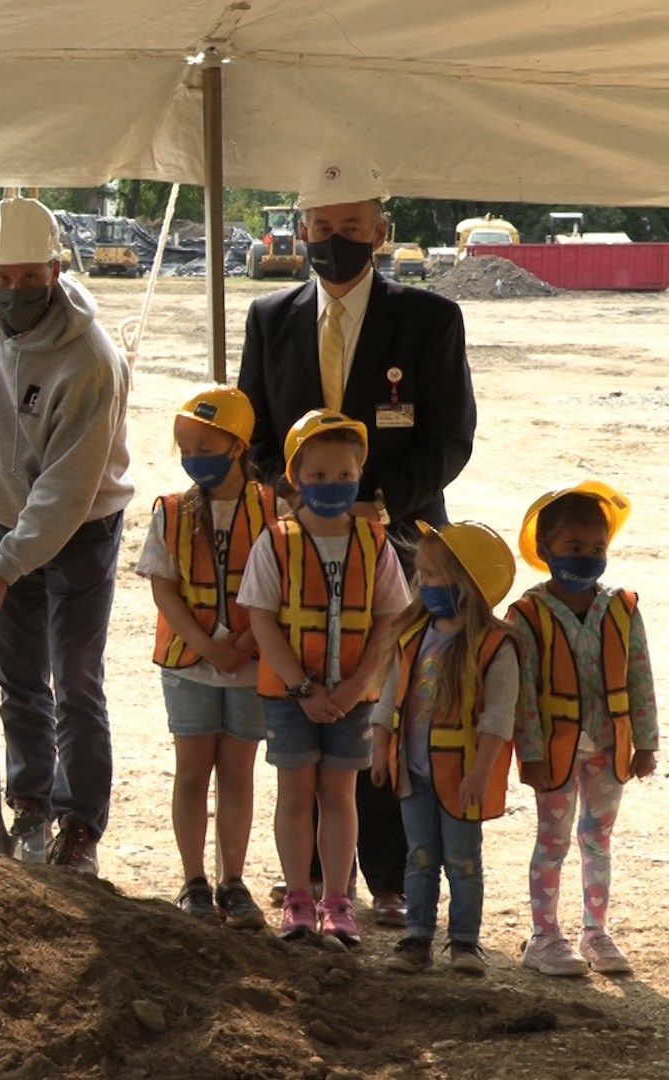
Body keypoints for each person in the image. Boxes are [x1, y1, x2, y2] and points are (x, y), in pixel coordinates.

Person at [238, 158, 476, 926]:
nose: (335, 241)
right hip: (300, 540)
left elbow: (451, 438)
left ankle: (386, 874)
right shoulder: (269, 317)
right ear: (301, 231)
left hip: (398, 538)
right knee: (306, 689)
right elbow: (255, 433)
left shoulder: (431, 319)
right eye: (322, 228)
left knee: (381, 703)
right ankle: (305, 874)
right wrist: (297, 496)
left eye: (351, 228)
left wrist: (382, 505)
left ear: (381, 232)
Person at [0, 198, 130, 873]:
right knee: (17, 677)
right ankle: (30, 807)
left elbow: (66, 492)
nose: (12, 292)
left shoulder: (91, 360)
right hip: (4, 511)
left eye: (26, 277)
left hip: (82, 526)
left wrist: (7, 565)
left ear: (54, 267)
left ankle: (79, 826)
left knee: (74, 678)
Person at [238, 410, 409, 949]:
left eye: (343, 477)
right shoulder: (276, 541)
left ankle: (337, 900)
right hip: (295, 698)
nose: (331, 487)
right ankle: (297, 896)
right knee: (295, 792)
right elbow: (261, 619)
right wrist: (302, 688)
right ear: (295, 479)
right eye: (318, 477)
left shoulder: (375, 541)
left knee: (339, 794)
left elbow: (389, 619)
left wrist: (357, 685)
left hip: (352, 697)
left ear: (360, 475)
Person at [137, 386, 274, 928]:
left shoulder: (274, 509)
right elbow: (163, 587)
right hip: (189, 663)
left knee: (238, 773)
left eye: (203, 445)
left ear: (237, 446)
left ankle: (232, 881)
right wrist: (207, 646)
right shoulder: (170, 512)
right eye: (184, 446)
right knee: (192, 772)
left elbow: (283, 582)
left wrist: (243, 645)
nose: (193, 457)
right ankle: (194, 881)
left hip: (250, 665)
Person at [508, 482, 657, 977]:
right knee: (553, 840)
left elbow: (640, 676)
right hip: (554, 749)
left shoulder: (622, 607)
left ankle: (596, 931)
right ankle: (544, 937)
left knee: (599, 838)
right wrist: (528, 752)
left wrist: (647, 742)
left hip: (610, 746)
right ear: (545, 550)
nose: (588, 558)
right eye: (575, 548)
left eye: (597, 549)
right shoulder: (526, 614)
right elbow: (524, 691)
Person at [371, 522, 520, 976]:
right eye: (424, 574)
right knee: (418, 856)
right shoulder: (413, 635)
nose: (425, 584)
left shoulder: (495, 646)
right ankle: (416, 936)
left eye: (436, 575)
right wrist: (380, 749)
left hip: (461, 778)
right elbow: (388, 697)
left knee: (462, 860)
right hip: (413, 773)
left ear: (471, 583)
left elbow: (498, 718)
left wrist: (481, 774)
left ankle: (464, 942)